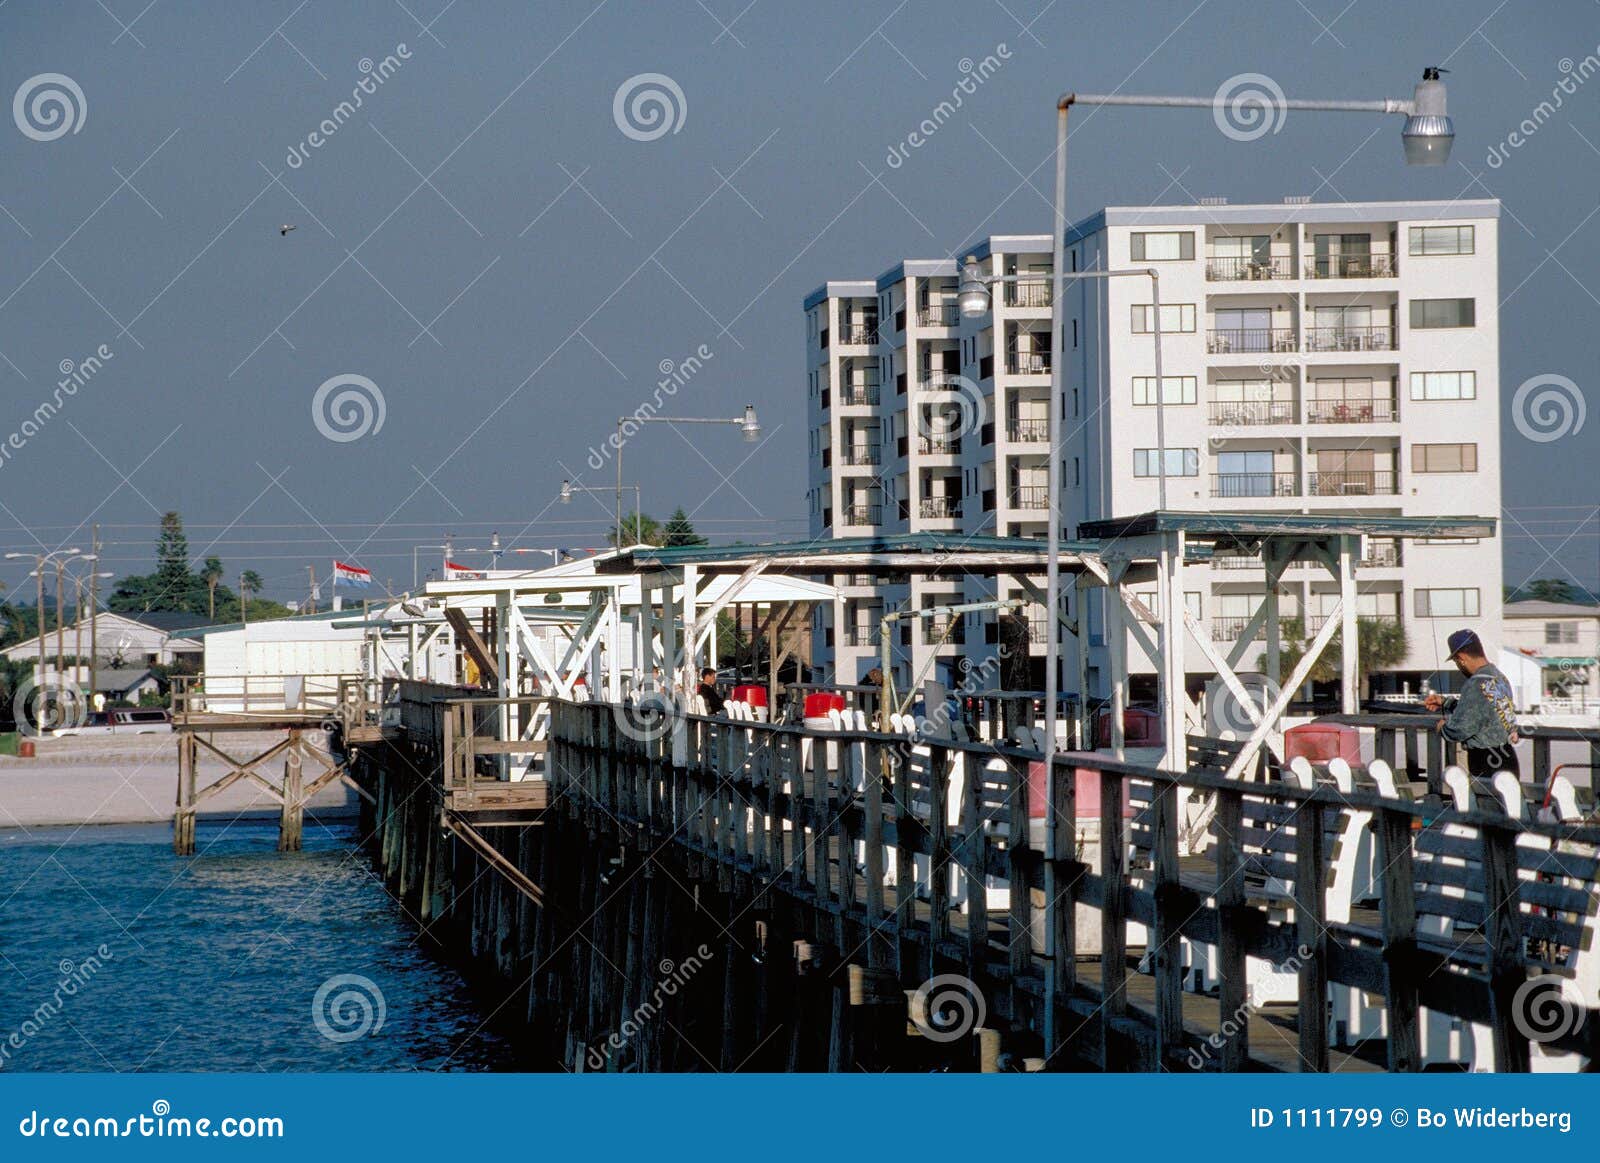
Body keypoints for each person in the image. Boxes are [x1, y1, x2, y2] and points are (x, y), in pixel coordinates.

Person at [1422, 628, 1520, 777]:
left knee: (1483, 800)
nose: (1458, 666)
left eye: (1456, 661)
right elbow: (1486, 711)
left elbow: (1460, 729)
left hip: (1485, 762)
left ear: (1461, 658)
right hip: (1508, 758)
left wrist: (1443, 728)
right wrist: (1446, 702)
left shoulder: (1475, 683)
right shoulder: (1499, 677)